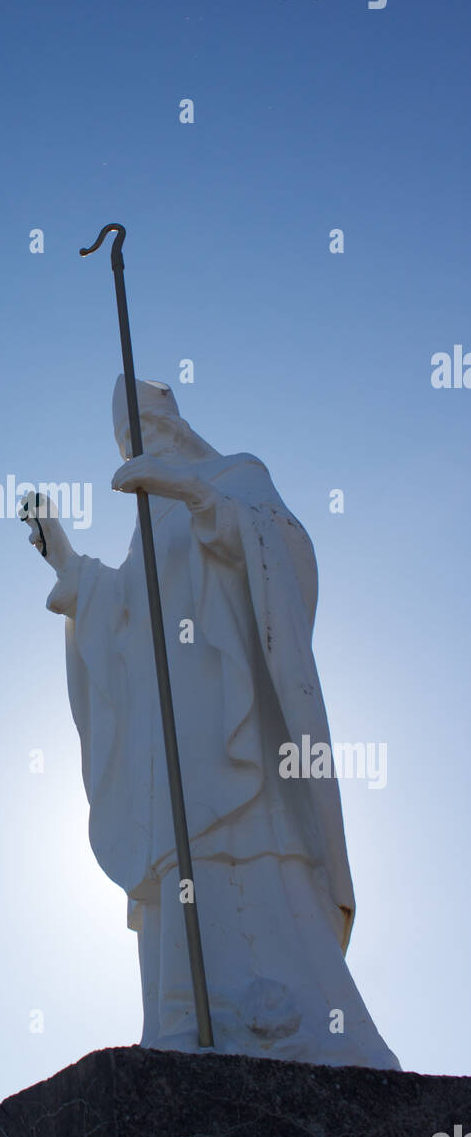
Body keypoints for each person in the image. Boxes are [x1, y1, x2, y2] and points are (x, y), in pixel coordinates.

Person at [22, 376, 400, 1069]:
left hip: (238, 716)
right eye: (125, 432)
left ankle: (306, 1022)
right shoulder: (144, 531)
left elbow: (283, 554)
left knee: (255, 841)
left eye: (143, 422)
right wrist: (70, 565)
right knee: (180, 853)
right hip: (173, 734)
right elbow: (127, 623)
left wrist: (196, 497)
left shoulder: (235, 475)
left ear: (172, 419)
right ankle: (188, 1020)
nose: (137, 439)